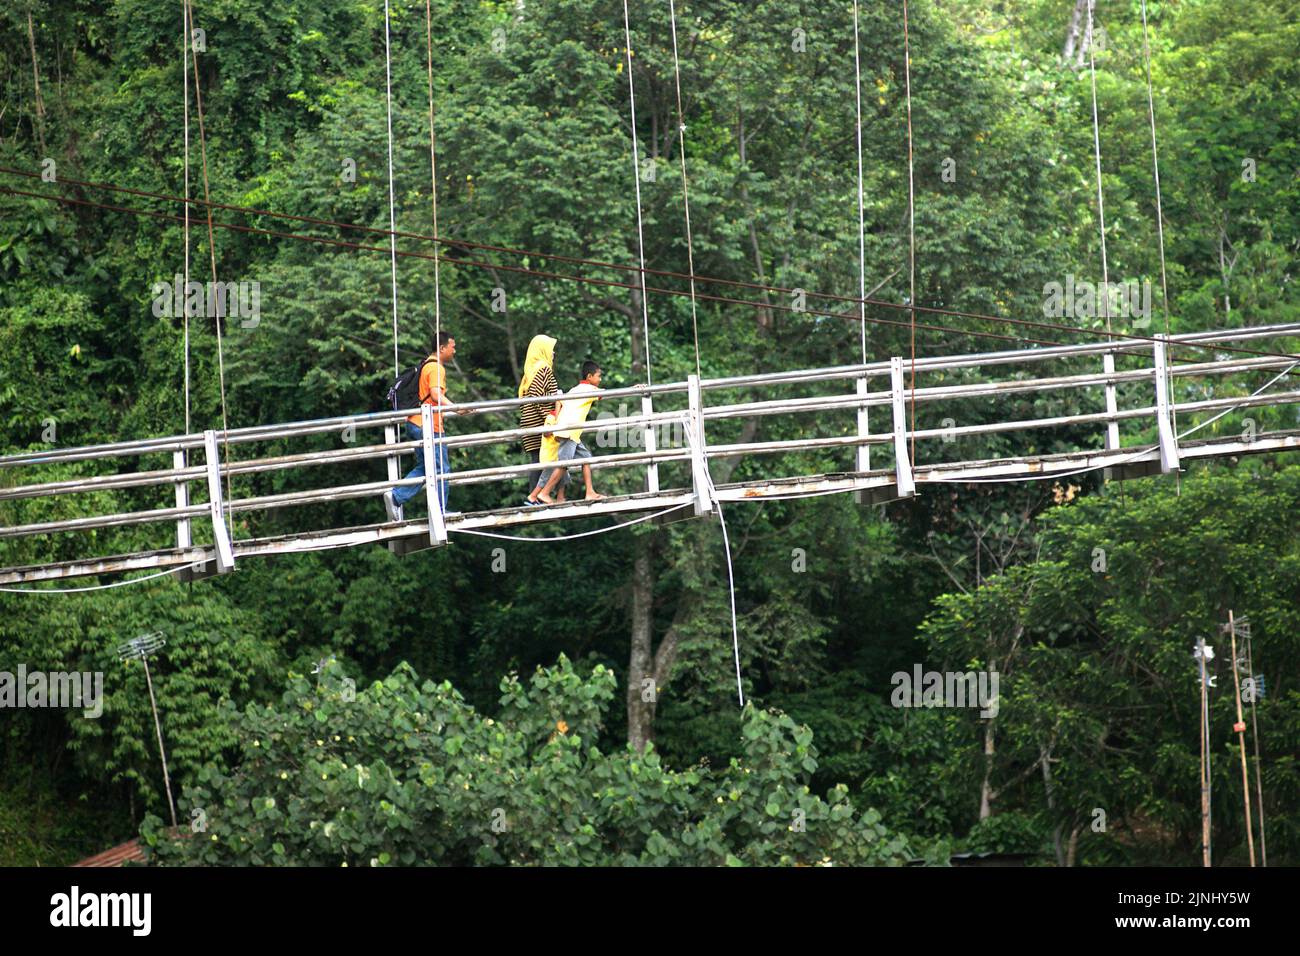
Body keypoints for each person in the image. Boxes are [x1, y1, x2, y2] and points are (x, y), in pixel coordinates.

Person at [385, 332, 455, 521]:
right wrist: (457, 408)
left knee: (426, 466)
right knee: (441, 468)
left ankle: (396, 496)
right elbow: (435, 395)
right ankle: (441, 511)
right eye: (452, 347)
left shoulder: (425, 364)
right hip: (428, 426)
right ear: (442, 348)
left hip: (415, 423)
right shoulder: (436, 368)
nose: (454, 351)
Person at [531, 360, 605, 505]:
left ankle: (590, 492)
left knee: (586, 459)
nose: (600, 379)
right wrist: (634, 388)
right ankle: (544, 493)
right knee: (563, 465)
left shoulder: (576, 389)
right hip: (569, 431)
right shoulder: (589, 389)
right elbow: (609, 394)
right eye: (598, 376)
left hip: (569, 431)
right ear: (589, 377)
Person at [517, 334, 559, 503]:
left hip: (529, 421)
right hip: (539, 422)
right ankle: (535, 497)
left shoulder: (530, 369)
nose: (553, 353)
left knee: (538, 459)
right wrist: (548, 418)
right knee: (542, 460)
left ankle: (535, 497)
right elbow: (536, 394)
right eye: (551, 349)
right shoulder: (543, 368)